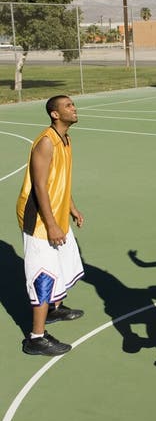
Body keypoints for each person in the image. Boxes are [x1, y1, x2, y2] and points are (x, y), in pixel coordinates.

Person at [16, 95, 85, 356]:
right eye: (68, 106)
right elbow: (40, 186)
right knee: (43, 275)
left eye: (73, 104)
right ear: (55, 114)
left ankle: (55, 309)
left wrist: (71, 208)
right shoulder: (46, 142)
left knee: (65, 263)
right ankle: (36, 338)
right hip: (39, 221)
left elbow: (60, 181)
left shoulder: (65, 139)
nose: (74, 108)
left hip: (56, 215)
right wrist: (52, 224)